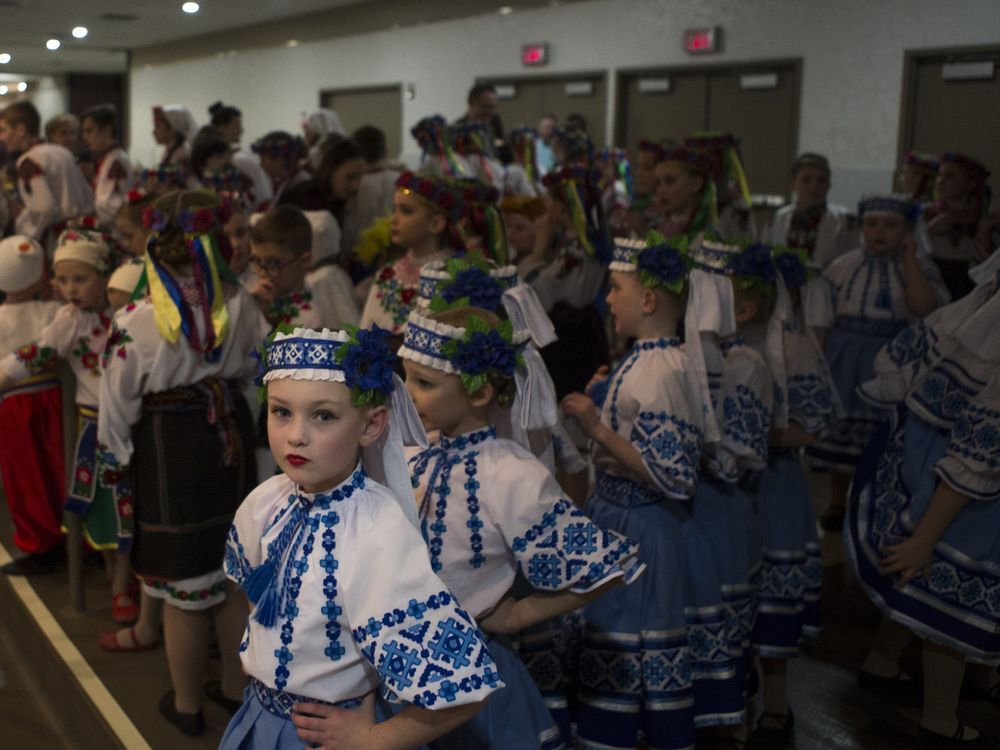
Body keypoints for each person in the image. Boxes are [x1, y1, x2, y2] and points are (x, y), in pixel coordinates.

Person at [221, 324, 500, 749]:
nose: (296, 435)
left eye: (323, 416)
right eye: (281, 412)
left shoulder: (377, 531)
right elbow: (255, 595)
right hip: (261, 721)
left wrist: (373, 738)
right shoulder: (265, 502)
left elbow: (461, 689)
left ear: (371, 426)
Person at [394, 305, 643, 748]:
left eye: (425, 383)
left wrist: (516, 616)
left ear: (479, 393)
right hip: (401, 669)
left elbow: (601, 568)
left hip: (475, 675)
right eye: (407, 378)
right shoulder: (413, 455)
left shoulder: (512, 475)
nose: (408, 394)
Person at [96, 190, 266, 735]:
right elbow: (258, 372)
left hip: (170, 448)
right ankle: (237, 689)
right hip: (230, 438)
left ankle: (188, 704)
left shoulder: (136, 319)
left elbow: (116, 402)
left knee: (185, 588)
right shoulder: (240, 302)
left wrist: (115, 459)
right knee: (230, 575)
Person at [562, 236, 732, 750]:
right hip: (619, 519)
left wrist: (599, 429)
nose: (607, 299)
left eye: (616, 288)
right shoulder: (644, 360)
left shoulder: (662, 368)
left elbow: (675, 473)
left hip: (645, 533)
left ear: (650, 300)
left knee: (635, 651)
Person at [847, 270, 1000, 750]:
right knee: (946, 598)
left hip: (932, 451)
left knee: (918, 572)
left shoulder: (982, 301)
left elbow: (907, 351)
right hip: (960, 480)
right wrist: (927, 538)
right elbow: (980, 453)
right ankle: (939, 720)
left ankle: (883, 660)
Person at [807, 195, 949, 532]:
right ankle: (838, 501)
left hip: (891, 361)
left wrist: (911, 259)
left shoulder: (918, 268)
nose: (879, 232)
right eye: (872, 224)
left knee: (881, 435)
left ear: (907, 230)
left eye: (890, 225)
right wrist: (817, 362)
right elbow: (821, 316)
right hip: (844, 360)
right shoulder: (843, 265)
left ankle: (872, 502)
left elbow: (925, 307)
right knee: (842, 434)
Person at [747, 245, 841, 750]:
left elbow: (812, 425)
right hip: (729, 486)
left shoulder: (792, 345)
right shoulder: (713, 342)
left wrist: (753, 435)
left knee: (773, 594)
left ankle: (777, 700)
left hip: (775, 483)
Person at [0, 235, 65, 576]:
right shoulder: (54, 310)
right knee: (61, 469)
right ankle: (75, 537)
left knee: (25, 478)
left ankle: (39, 543)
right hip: (56, 398)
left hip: (12, 405)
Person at [532, 164, 610, 399]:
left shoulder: (578, 250)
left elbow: (541, 290)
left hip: (568, 337)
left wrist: (538, 253)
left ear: (563, 207)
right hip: (579, 331)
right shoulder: (579, 244)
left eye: (550, 205)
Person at [359, 171, 463, 334]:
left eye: (406, 211)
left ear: (436, 223)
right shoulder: (387, 275)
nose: (393, 219)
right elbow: (364, 336)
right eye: (395, 209)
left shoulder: (458, 278)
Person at [0, 101, 94, 248]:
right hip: (80, 236)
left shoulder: (28, 161)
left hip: (55, 242)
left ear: (20, 130)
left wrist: (23, 229)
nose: (2, 138)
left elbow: (44, 208)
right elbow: (88, 195)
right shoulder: (63, 152)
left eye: (3, 130)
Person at [248, 204, 353, 331]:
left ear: (304, 261)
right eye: (256, 261)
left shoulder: (311, 320)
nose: (262, 273)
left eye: (273, 263)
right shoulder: (256, 298)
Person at [763, 152, 857, 268]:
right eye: (806, 180)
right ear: (793, 184)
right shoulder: (777, 219)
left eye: (821, 181)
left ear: (828, 185)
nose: (814, 186)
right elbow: (766, 255)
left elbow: (856, 259)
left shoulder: (845, 220)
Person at [924, 152, 992, 301]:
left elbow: (988, 270)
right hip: (931, 293)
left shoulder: (983, 222)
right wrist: (929, 231)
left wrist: (983, 230)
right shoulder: (925, 215)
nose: (941, 181)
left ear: (970, 183)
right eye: (940, 175)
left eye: (950, 176)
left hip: (967, 297)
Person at [209, 100, 273, 212]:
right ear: (222, 128)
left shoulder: (240, 159)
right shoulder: (238, 160)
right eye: (237, 125)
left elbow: (262, 194)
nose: (241, 130)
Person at [652, 144, 721, 244]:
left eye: (669, 181)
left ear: (695, 184)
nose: (661, 190)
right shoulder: (658, 225)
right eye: (658, 183)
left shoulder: (706, 235)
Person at [81, 104, 133, 227]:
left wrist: (86, 219)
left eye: (89, 131)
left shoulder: (116, 161)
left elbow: (114, 206)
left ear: (107, 130)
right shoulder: (108, 159)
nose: (85, 137)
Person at [251, 131, 309, 207]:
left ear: (282, 159)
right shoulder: (283, 181)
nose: (261, 165)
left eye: (263, 159)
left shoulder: (301, 184)